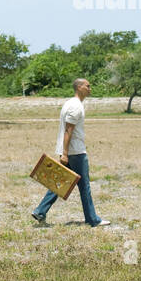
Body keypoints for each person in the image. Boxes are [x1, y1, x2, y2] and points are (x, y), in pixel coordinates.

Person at [31, 77, 112, 227]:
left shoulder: (70, 103)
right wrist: (65, 154)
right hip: (76, 152)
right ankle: (92, 219)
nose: (90, 89)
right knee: (84, 186)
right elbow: (69, 130)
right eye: (88, 86)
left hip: (69, 152)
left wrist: (64, 153)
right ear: (79, 87)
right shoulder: (75, 106)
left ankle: (40, 211)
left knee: (60, 181)